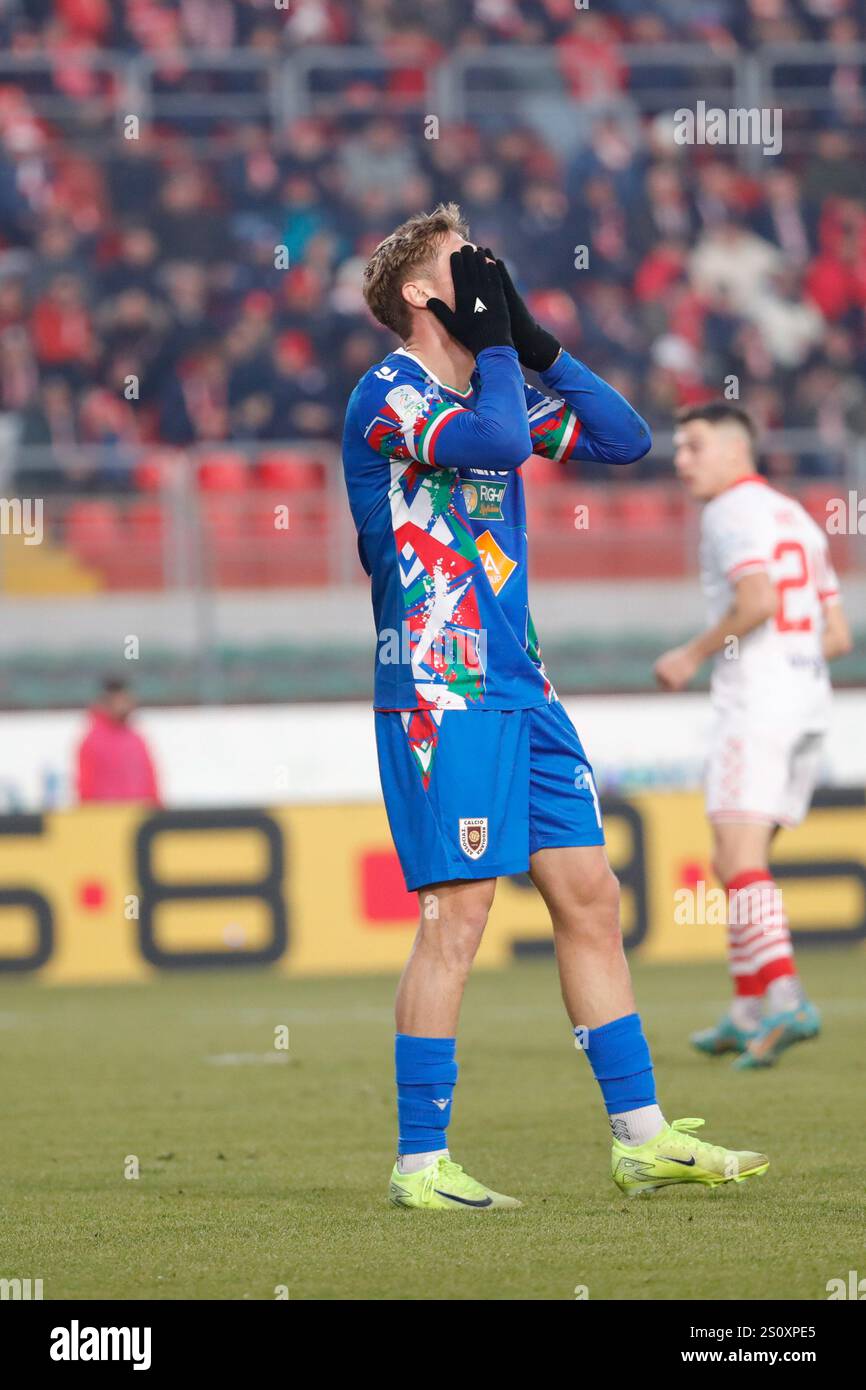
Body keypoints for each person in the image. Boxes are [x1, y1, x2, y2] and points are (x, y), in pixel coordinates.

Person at [341, 204, 769, 1209]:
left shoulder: (495, 380)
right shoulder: (388, 393)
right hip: (439, 686)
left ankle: (641, 1136)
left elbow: (622, 439)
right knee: (460, 911)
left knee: (587, 894)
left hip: (520, 684)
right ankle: (419, 1162)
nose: (485, 272)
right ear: (416, 291)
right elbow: (493, 442)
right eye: (463, 264)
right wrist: (496, 350)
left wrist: (533, 345)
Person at [655, 403, 852, 1068]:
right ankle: (745, 1012)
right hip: (807, 700)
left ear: (737, 452)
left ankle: (787, 997)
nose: (682, 460)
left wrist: (691, 653)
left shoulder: (730, 512)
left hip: (760, 701)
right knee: (734, 859)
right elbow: (838, 635)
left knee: (739, 863)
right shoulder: (794, 513)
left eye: (694, 446)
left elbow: (759, 600)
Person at [76, 677, 161, 806]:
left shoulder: (136, 739)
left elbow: (150, 781)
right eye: (122, 700)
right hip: (109, 819)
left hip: (140, 817)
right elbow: (86, 788)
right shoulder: (93, 741)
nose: (128, 704)